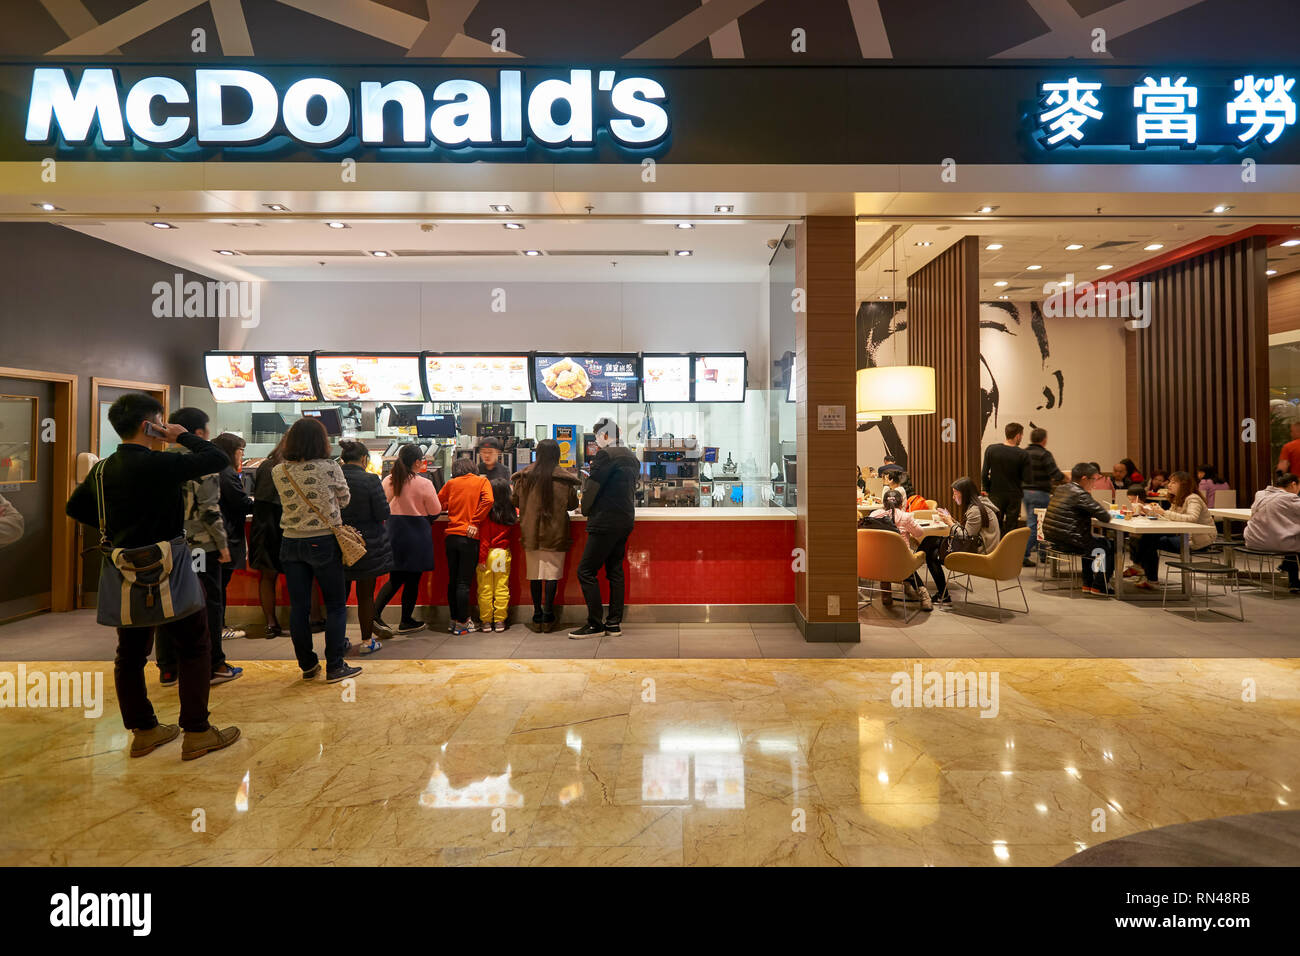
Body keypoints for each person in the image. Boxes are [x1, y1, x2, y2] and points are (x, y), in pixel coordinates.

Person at [64, 393, 240, 759]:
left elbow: (75, 506)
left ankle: (144, 730)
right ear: (150, 425)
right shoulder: (161, 465)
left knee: (129, 653)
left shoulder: (102, 470)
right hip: (171, 566)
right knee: (194, 646)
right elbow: (217, 458)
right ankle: (196, 731)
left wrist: (120, 527)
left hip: (124, 568)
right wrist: (181, 436)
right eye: (160, 421)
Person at [272, 417, 361, 683]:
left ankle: (308, 665)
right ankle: (335, 665)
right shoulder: (330, 467)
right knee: (335, 605)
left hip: (290, 541)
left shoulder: (279, 470)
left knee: (299, 608)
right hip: (323, 541)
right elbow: (344, 499)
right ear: (321, 441)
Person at [165, 408, 242, 687]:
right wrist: (222, 545)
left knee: (169, 602)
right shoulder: (203, 462)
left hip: (168, 544)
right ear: (197, 434)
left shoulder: (159, 460)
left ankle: (168, 667)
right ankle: (215, 663)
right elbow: (210, 510)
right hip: (199, 545)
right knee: (208, 602)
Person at [571, 417, 639, 638]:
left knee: (586, 571)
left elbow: (593, 487)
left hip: (605, 520)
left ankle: (594, 624)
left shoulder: (605, 454)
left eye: (598, 436)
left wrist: (585, 509)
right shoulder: (631, 455)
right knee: (615, 570)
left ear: (606, 435)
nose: (597, 441)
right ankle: (613, 623)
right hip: (625, 518)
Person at [512, 438, 580, 632]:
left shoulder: (524, 477)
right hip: (555, 533)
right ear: (557, 455)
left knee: (534, 575)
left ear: (537, 454)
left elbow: (515, 501)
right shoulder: (565, 480)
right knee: (551, 575)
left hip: (531, 532)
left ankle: (537, 614)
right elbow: (572, 505)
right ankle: (549, 614)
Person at [375, 444, 439, 636]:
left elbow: (381, 506)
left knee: (396, 577)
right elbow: (435, 511)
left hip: (394, 531)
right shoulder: (424, 483)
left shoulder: (389, 480)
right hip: (416, 534)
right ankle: (403, 620)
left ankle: (380, 614)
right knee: (412, 579)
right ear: (417, 462)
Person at [339, 440, 392, 654]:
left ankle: (338, 641)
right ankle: (366, 641)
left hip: (338, 543)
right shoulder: (370, 480)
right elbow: (382, 513)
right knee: (366, 594)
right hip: (365, 543)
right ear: (364, 459)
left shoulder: (333, 479)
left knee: (338, 596)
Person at [1126, 470, 1216, 588]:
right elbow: (1169, 520)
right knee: (1148, 536)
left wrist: (1163, 512)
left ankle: (1142, 570)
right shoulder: (1176, 499)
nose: (1169, 485)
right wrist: (1151, 512)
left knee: (1149, 539)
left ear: (1183, 484)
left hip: (1197, 539)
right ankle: (1146, 574)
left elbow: (1192, 518)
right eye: (1170, 482)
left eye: (1173, 482)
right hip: (1183, 535)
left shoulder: (1192, 498)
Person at [1042, 462, 1114, 596]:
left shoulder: (1061, 489)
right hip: (1070, 541)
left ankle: (1087, 583)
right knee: (1107, 545)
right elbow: (1104, 516)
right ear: (1084, 479)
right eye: (1093, 479)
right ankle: (1099, 586)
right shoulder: (1081, 494)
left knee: (1091, 542)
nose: (1094, 483)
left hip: (1054, 539)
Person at [439, 456, 493, 635]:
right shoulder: (482, 481)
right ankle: (463, 622)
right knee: (463, 582)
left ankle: (454, 620)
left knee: (452, 580)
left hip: (451, 536)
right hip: (469, 537)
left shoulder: (451, 484)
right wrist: (475, 521)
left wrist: (452, 504)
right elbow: (489, 501)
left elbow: (438, 503)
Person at [211, 432, 253, 644]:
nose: (242, 456)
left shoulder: (214, 470)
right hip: (224, 537)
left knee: (214, 585)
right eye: (240, 451)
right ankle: (218, 627)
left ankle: (217, 626)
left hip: (211, 538)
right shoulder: (226, 473)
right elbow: (241, 503)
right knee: (218, 585)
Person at [867, 488, 932, 611]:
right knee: (907, 561)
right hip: (901, 563)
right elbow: (919, 533)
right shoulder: (905, 516)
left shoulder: (874, 515)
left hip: (877, 562)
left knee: (885, 556)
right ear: (902, 503)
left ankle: (886, 595)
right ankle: (924, 595)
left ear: (883, 503)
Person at [1243, 472, 1300, 593]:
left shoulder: (1260, 494)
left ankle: (1290, 572)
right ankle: (1291, 574)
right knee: (1293, 538)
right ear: (1293, 484)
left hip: (1253, 540)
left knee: (1290, 536)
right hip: (1274, 542)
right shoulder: (1289, 498)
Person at [476, 477, 519, 631]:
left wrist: (481, 559)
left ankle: (486, 621)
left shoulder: (487, 513)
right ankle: (500, 621)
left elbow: (485, 539)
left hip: (488, 554)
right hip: (502, 553)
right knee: (502, 587)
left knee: (485, 588)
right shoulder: (511, 511)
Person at [1022, 427, 1064, 566]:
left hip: (1025, 493)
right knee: (1036, 526)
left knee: (1036, 524)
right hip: (1040, 493)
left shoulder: (1024, 453)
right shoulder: (1044, 454)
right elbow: (1055, 474)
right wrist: (1066, 478)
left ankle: (1043, 554)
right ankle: (1022, 555)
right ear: (1044, 440)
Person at [980, 421, 1029, 535]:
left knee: (996, 524)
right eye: (1021, 435)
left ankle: (995, 551)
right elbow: (1026, 478)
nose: (1021, 438)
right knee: (1011, 527)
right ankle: (1009, 551)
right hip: (1014, 495)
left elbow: (984, 473)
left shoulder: (991, 449)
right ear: (1017, 435)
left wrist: (987, 489)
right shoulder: (1022, 454)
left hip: (995, 494)